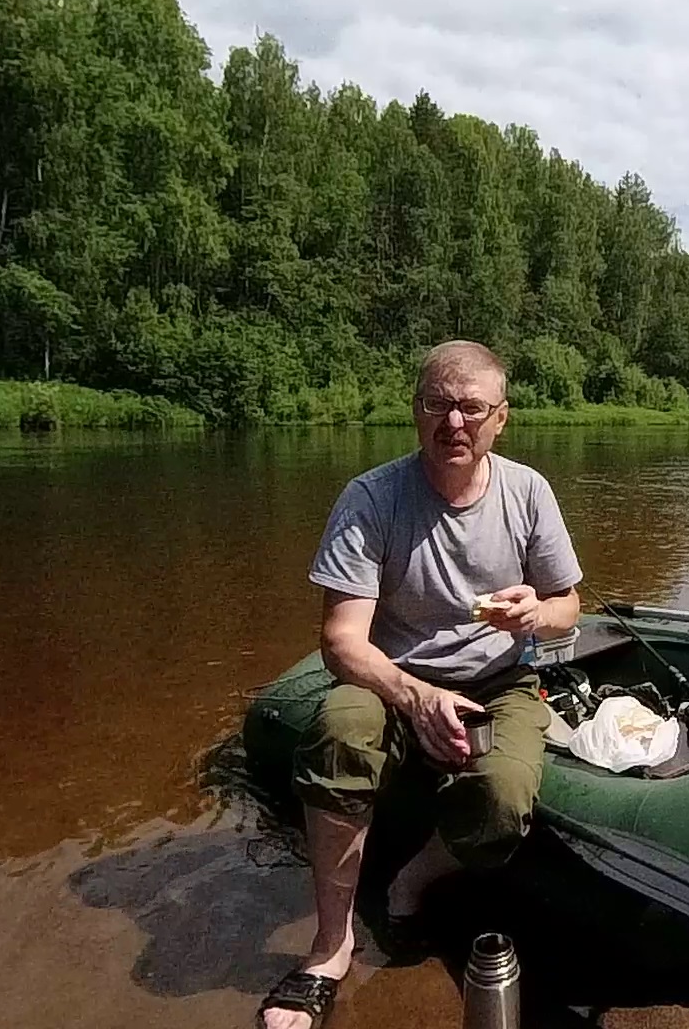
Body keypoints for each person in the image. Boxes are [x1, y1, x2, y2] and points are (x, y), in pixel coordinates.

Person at [257, 340, 584, 1029]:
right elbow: (342, 639)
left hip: (502, 680)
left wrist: (537, 612)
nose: (454, 422)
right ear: (416, 411)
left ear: (502, 418)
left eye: (472, 407)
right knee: (340, 730)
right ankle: (330, 945)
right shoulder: (373, 497)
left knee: (502, 797)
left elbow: (568, 607)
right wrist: (415, 696)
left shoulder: (529, 492)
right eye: (438, 404)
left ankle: (414, 876)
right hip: (391, 678)